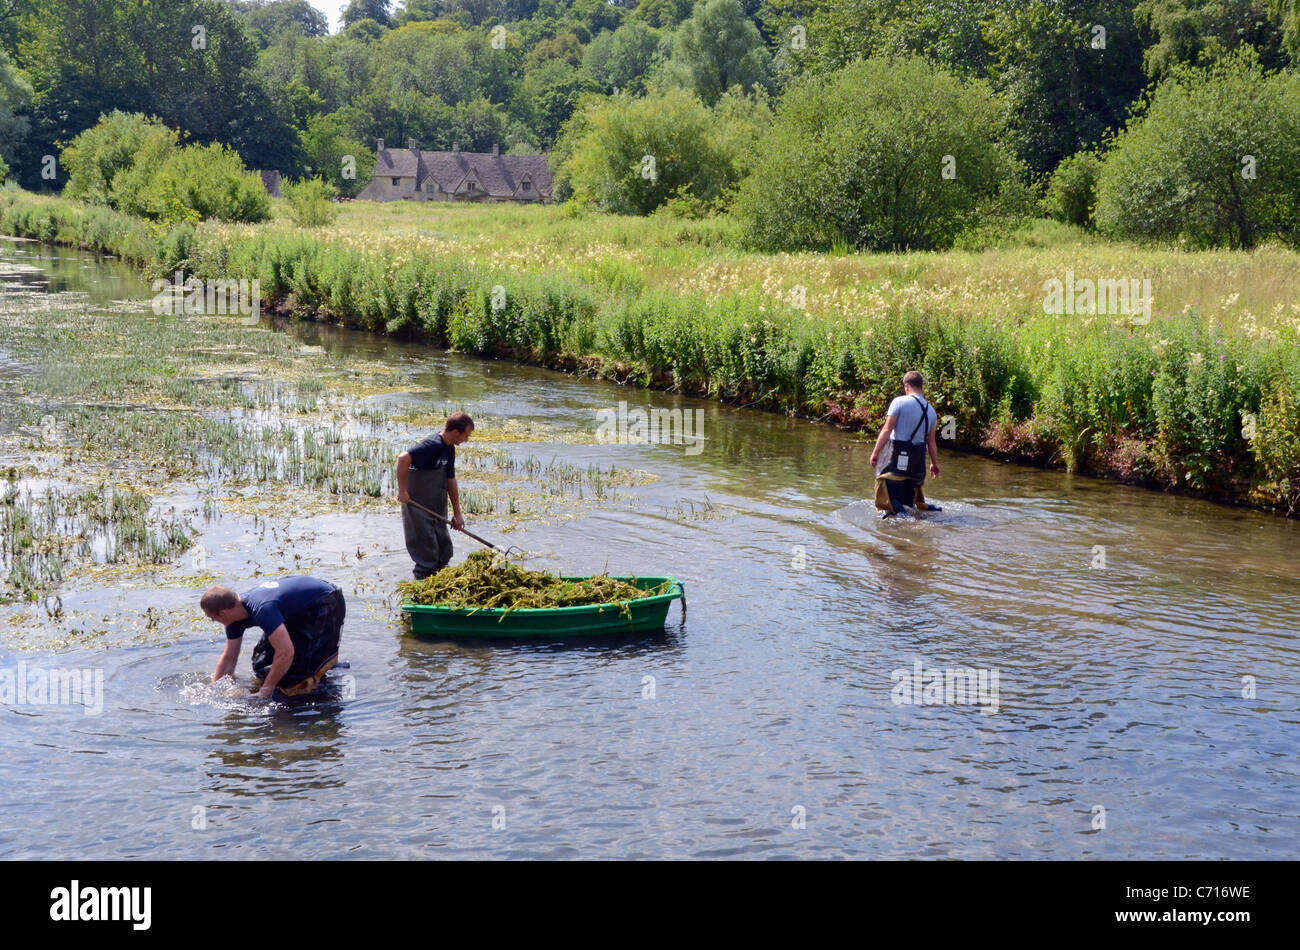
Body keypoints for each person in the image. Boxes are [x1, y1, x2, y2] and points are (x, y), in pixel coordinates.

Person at [203, 577, 344, 698]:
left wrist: (265, 691)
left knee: (294, 676)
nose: (212, 621)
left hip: (324, 599)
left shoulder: (263, 609)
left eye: (211, 618)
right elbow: (229, 658)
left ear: (222, 613)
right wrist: (213, 687)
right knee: (262, 665)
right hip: (296, 611)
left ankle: (321, 684)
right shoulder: (234, 618)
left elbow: (286, 653)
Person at [395, 412, 473, 579]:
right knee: (425, 554)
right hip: (418, 506)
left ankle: (440, 585)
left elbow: (450, 480)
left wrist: (457, 514)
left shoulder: (449, 448)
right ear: (456, 432)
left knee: (444, 549)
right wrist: (402, 491)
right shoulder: (432, 445)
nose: (467, 440)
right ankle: (421, 589)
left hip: (436, 507)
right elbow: (403, 458)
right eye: (466, 435)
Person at [869, 371, 941, 517]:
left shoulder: (899, 402)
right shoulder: (931, 411)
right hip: (916, 464)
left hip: (896, 459)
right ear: (921, 387)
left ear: (906, 386)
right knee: (908, 504)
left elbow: (887, 429)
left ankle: (901, 520)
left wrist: (875, 453)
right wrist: (934, 463)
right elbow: (931, 442)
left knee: (888, 496)